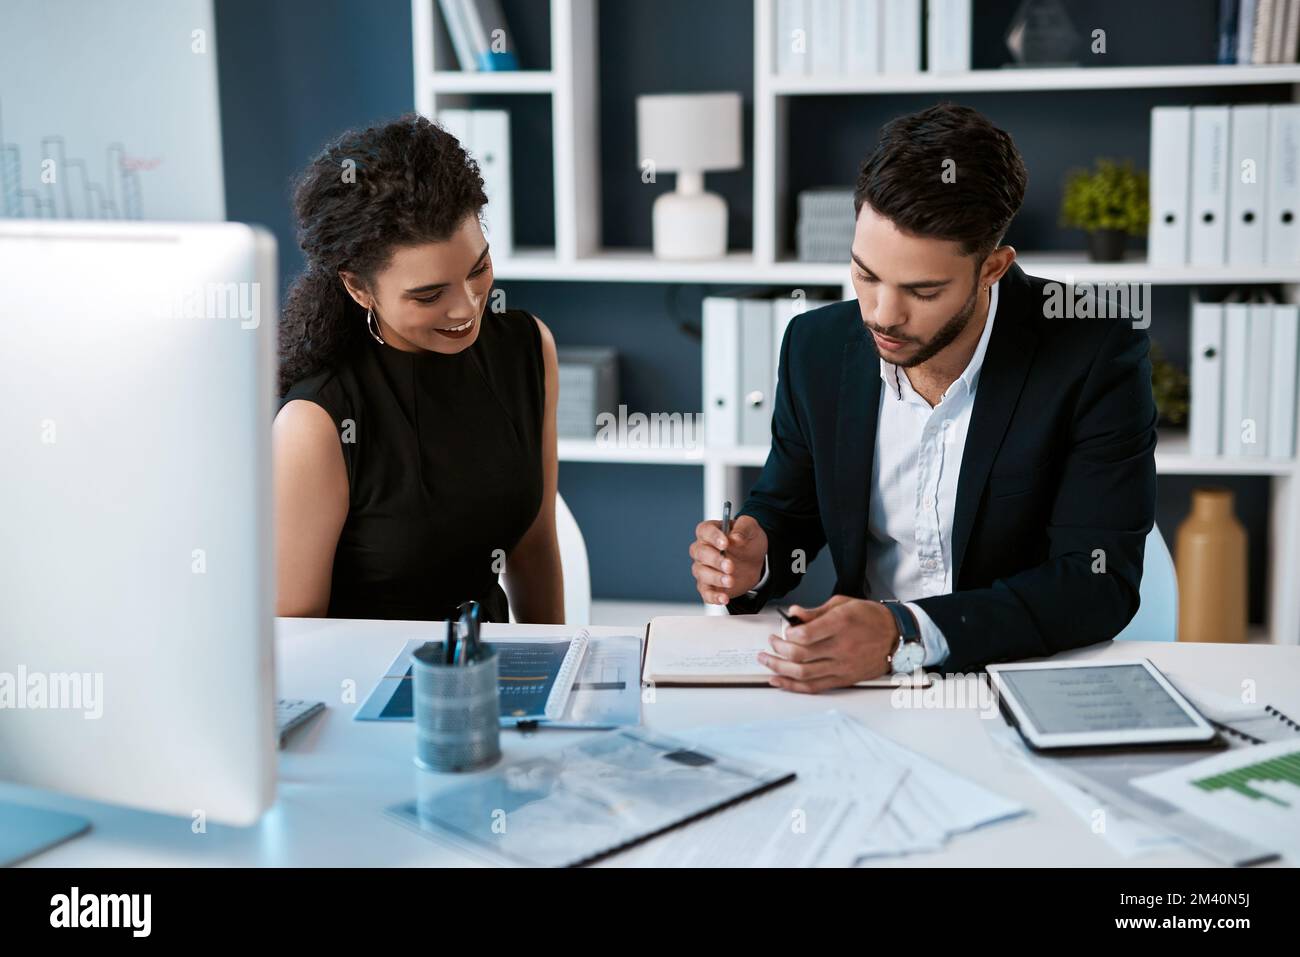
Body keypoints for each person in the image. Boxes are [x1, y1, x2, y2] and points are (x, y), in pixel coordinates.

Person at [689, 103, 1157, 691]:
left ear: (992, 266)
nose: (882, 315)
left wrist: (904, 633)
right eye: (865, 275)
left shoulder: (1092, 351)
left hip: (1020, 675)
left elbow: (1098, 582)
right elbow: (790, 512)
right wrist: (755, 560)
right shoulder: (815, 345)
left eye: (923, 290)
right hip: (856, 682)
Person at [274, 114, 563, 624]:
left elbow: (534, 545)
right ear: (359, 288)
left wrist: (562, 668)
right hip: (366, 689)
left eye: (478, 269)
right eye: (429, 294)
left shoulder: (526, 348)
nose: (467, 307)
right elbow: (297, 635)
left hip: (488, 670)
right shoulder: (318, 421)